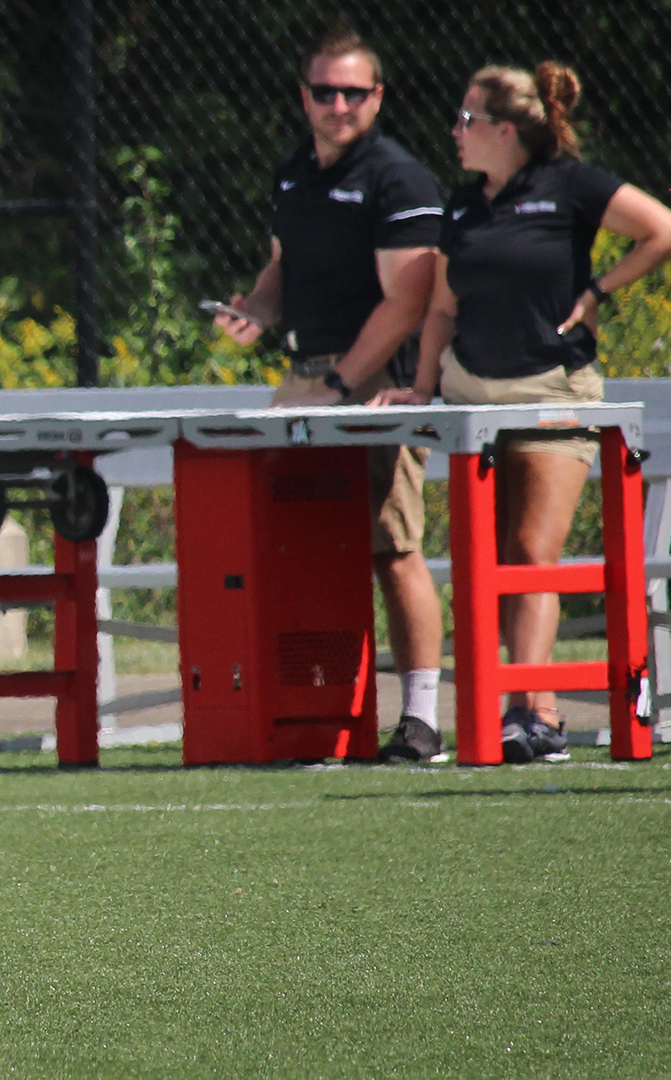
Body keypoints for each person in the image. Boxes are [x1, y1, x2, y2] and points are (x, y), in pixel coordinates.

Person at [372, 62, 671, 762]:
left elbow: (661, 229)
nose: (456, 132)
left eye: (467, 120)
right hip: (472, 398)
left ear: (506, 130)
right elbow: (442, 306)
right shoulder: (466, 200)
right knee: (493, 557)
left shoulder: (569, 182)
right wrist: (422, 387)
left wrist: (598, 289)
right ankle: (521, 707)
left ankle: (529, 716)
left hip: (549, 393)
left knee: (533, 553)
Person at [214, 31, 449, 762]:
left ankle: (420, 719)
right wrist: (254, 308)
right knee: (295, 543)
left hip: (375, 383)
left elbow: (408, 301)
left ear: (377, 97)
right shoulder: (293, 173)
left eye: (354, 93)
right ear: (303, 95)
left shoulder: (397, 178)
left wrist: (342, 384)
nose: (338, 105)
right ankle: (312, 712)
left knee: (392, 544)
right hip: (307, 377)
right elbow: (282, 270)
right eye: (325, 91)